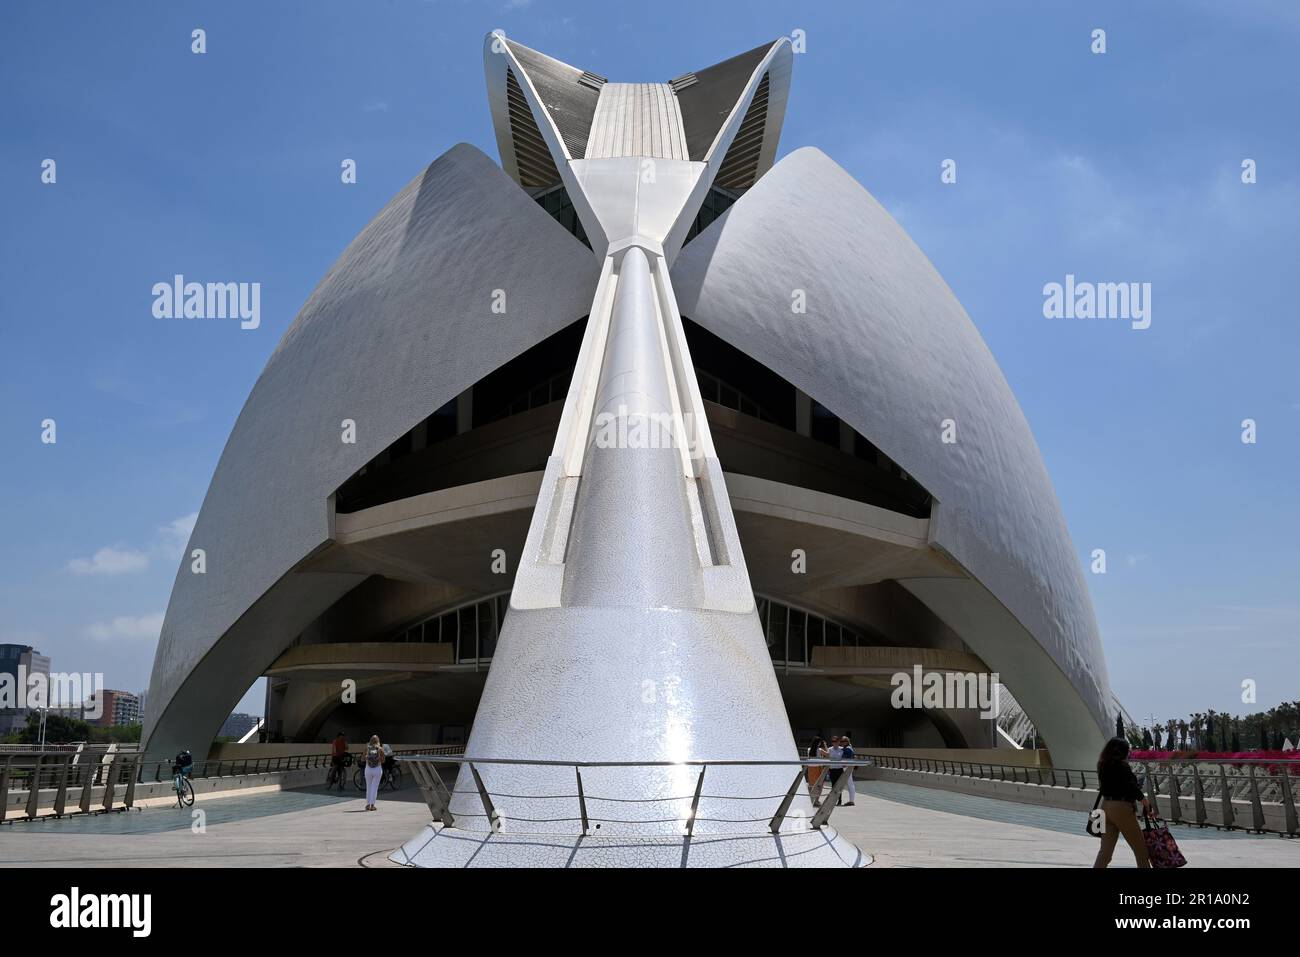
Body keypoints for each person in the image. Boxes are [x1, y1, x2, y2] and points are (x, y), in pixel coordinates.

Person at [1093, 737, 1151, 868]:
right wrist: (1146, 802)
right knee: (1141, 850)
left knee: (1105, 852)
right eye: (1127, 752)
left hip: (1105, 807)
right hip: (1121, 808)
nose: (1128, 755)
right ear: (1122, 752)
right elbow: (1131, 787)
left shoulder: (1101, 764)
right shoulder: (1122, 766)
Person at [363, 734, 384, 811]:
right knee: (374, 787)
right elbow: (383, 760)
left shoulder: (367, 748)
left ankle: (368, 805)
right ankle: (372, 805)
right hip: (377, 769)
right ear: (378, 741)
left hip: (368, 769)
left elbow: (362, 758)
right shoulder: (380, 749)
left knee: (368, 787)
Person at [806, 736, 829, 806]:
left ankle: (811, 800)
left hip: (810, 768)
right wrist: (825, 745)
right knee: (820, 785)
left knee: (811, 785)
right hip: (818, 768)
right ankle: (816, 800)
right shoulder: (819, 750)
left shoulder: (809, 749)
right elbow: (828, 754)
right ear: (818, 743)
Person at [840, 733, 856, 806]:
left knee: (850, 783)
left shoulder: (848, 749)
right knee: (850, 783)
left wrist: (844, 765)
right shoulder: (848, 748)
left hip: (847, 767)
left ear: (846, 742)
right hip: (848, 767)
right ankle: (851, 800)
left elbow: (848, 759)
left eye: (843, 741)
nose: (841, 743)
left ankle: (851, 801)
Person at [826, 735, 844, 800]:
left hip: (840, 769)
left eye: (836, 741)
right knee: (833, 785)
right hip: (832, 770)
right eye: (833, 741)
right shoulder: (829, 749)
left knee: (839, 785)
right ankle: (833, 799)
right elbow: (827, 760)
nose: (834, 742)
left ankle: (839, 799)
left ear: (839, 742)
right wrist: (827, 770)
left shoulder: (842, 749)